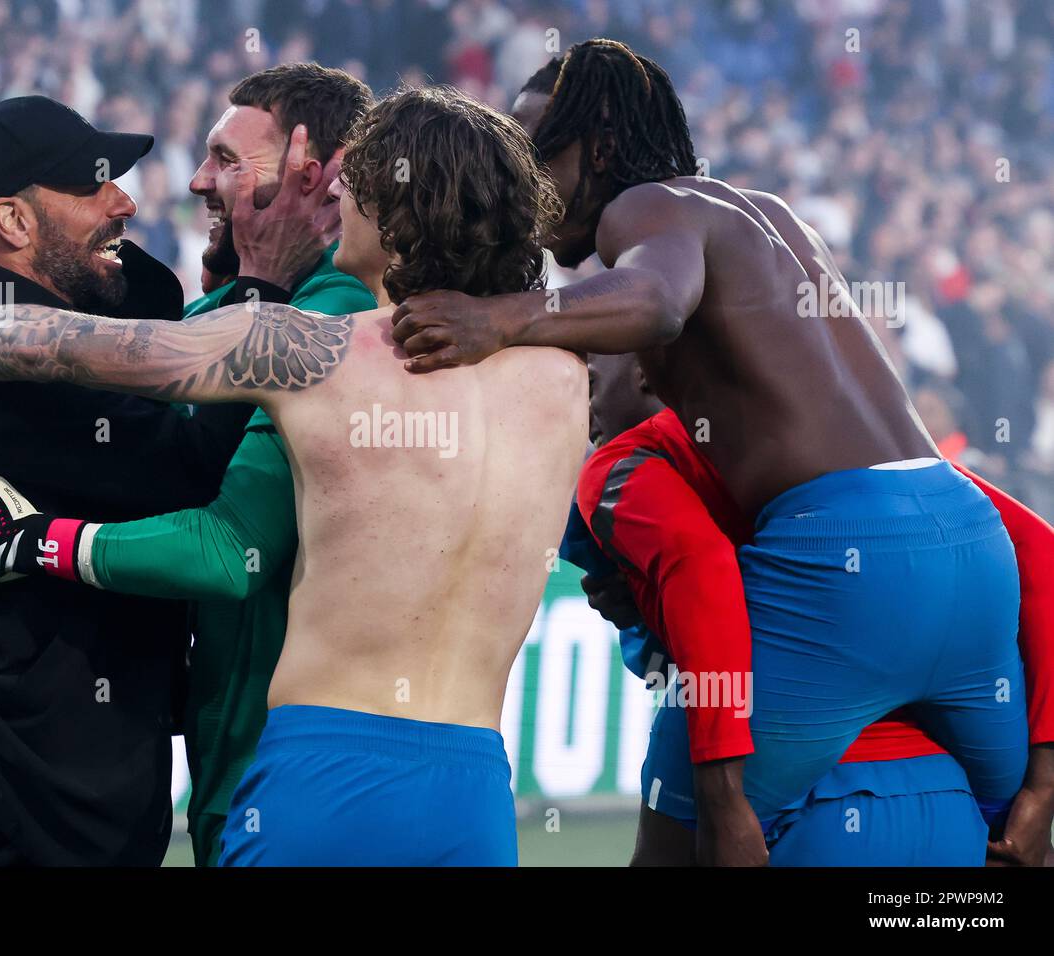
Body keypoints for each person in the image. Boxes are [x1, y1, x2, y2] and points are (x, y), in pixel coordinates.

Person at [0, 86, 586, 866]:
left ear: (397, 209)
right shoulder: (563, 377)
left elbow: (69, 354)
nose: (336, 196)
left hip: (320, 772)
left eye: (356, 185)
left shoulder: (310, 348)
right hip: (475, 793)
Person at [386, 40, 1029, 862]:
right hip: (965, 541)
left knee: (680, 844)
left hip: (843, 559)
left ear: (602, 151)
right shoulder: (766, 211)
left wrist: (498, 319)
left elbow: (653, 302)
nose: (523, 185)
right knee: (1005, 849)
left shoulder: (642, 210)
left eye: (533, 152)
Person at [0, 63, 379, 866]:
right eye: (94, 184)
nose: (178, 186)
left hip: (285, 779)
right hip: (88, 801)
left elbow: (225, 547)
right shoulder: (4, 355)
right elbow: (171, 456)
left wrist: (29, 548)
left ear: (317, 176)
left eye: (228, 161)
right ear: (15, 220)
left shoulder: (340, 322)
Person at [0, 95, 256, 866]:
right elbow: (198, 473)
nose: (125, 201)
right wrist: (261, 287)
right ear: (13, 221)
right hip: (42, 812)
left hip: (55, 788)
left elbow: (137, 322)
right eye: (92, 184)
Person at [572, 355, 1054, 866]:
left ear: (649, 366)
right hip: (946, 787)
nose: (586, 411)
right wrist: (1044, 782)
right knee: (1021, 844)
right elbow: (1040, 550)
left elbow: (702, 576)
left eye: (592, 382)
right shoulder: (845, 438)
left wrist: (722, 797)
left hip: (778, 758)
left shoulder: (622, 462)